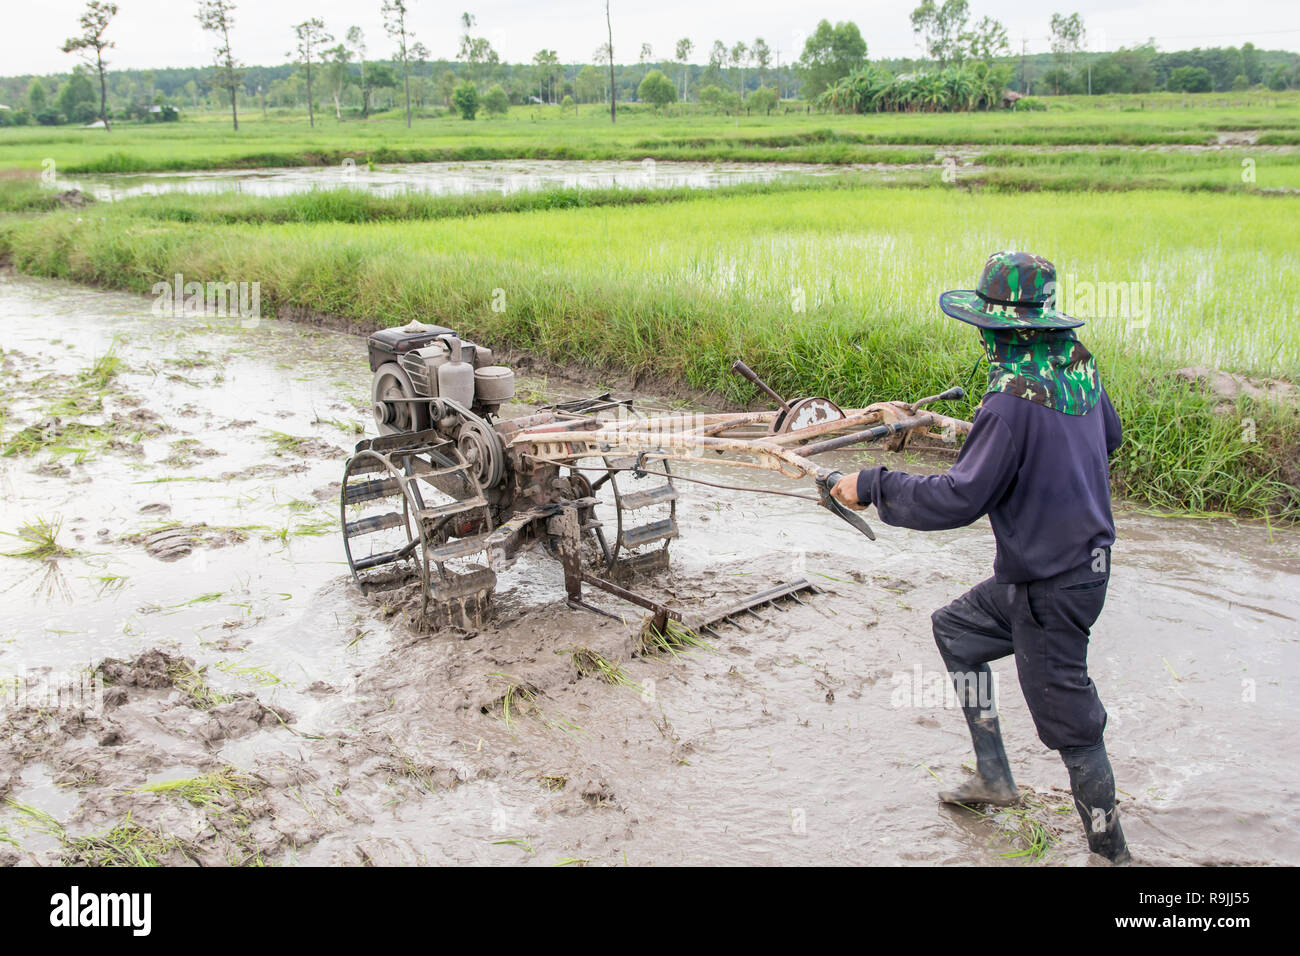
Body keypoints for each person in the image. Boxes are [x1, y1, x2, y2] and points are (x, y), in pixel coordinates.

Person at [831, 250, 1131, 864]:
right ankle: (994, 777)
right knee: (957, 631)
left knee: (1071, 724)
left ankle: (1112, 855)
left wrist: (874, 485)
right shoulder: (1078, 369)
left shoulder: (1009, 403)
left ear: (997, 330)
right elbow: (1111, 437)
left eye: (984, 330)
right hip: (1074, 571)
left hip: (1050, 587)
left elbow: (960, 498)